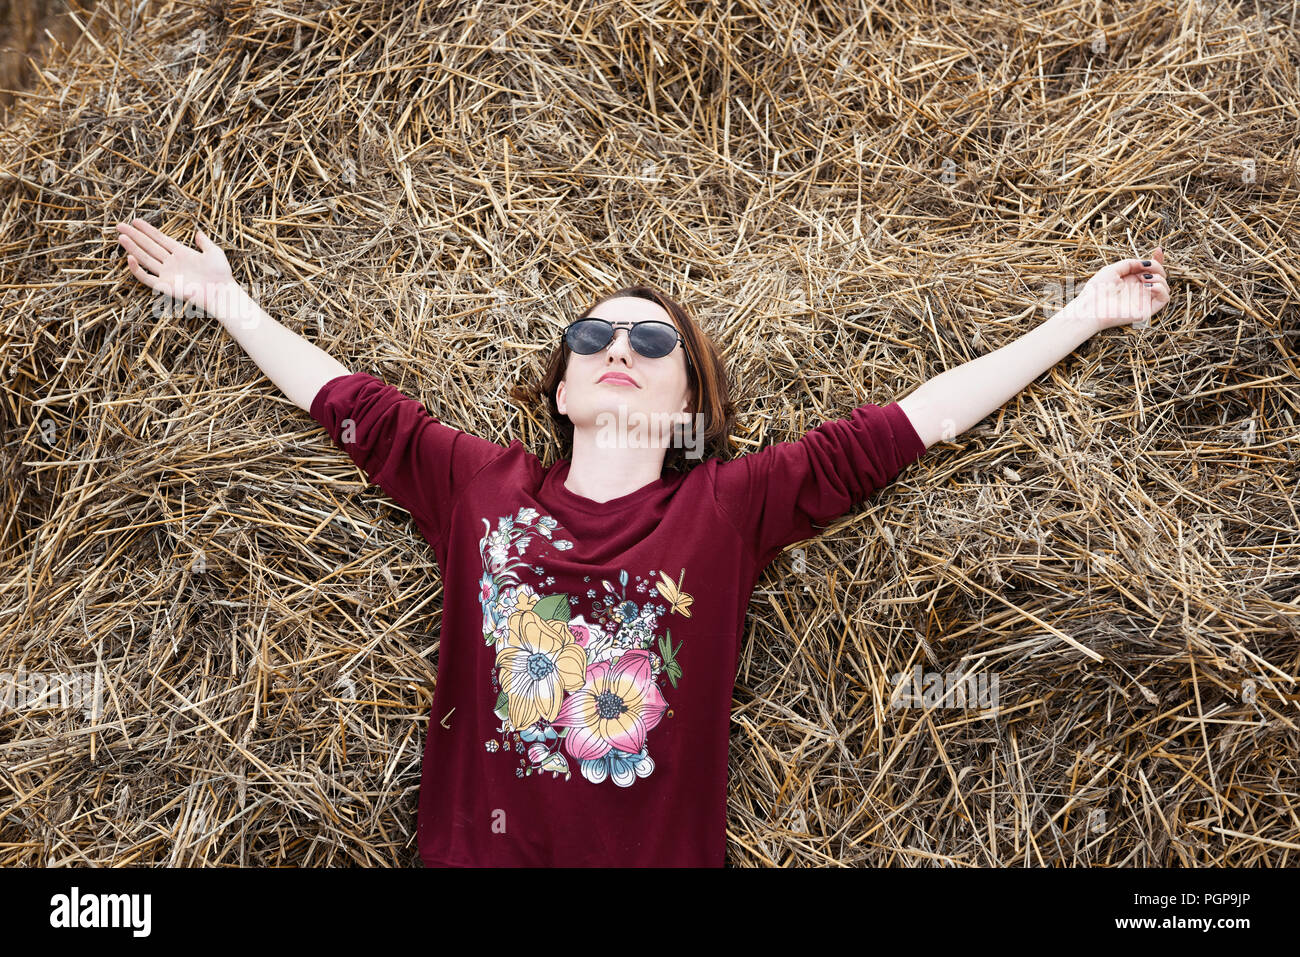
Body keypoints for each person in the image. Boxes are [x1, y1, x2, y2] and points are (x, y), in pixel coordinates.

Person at [114, 219, 1170, 865]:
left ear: (689, 397)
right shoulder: (476, 484)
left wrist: (1079, 314)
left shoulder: (728, 506)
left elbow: (916, 420)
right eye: (593, 337)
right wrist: (226, 303)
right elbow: (348, 402)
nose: (618, 344)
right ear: (563, 388)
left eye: (651, 339)